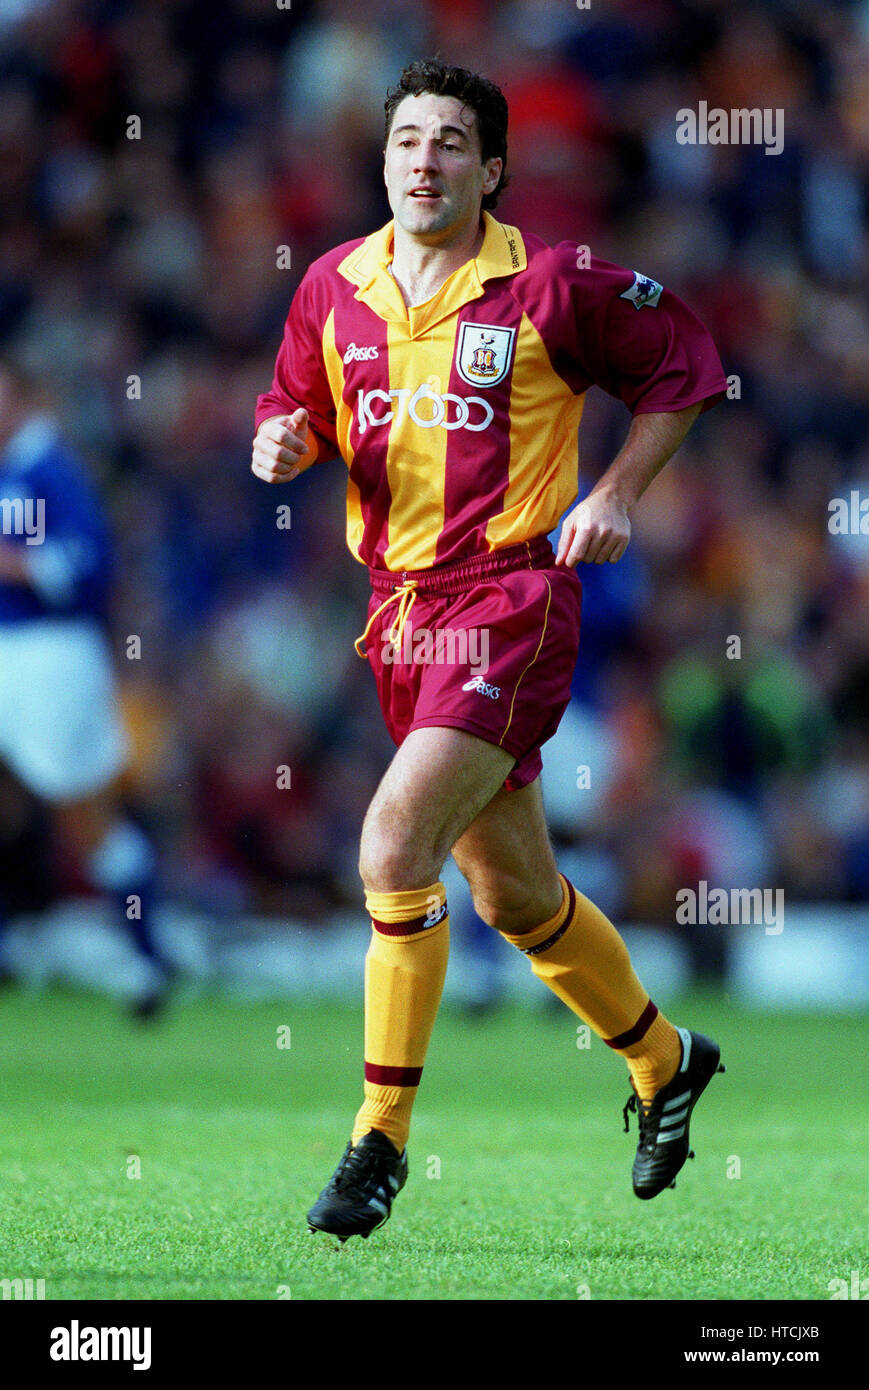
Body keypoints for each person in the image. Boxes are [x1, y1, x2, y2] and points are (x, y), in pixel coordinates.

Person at [252, 59, 728, 1242]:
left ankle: (375, 1143)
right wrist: (284, 441)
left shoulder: (552, 286)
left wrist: (615, 491)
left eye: (451, 142)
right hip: (396, 614)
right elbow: (300, 408)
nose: (425, 159)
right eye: (408, 139)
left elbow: (685, 368)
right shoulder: (331, 286)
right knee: (513, 894)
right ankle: (665, 1060)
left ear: (492, 169)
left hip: (510, 599)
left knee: (390, 841)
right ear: (382, 161)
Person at [0, 354, 169, 1018]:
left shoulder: (52, 473)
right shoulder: (16, 472)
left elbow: (90, 565)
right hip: (15, 649)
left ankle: (145, 957)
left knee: (82, 813)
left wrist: (18, 565)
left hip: (51, 653)